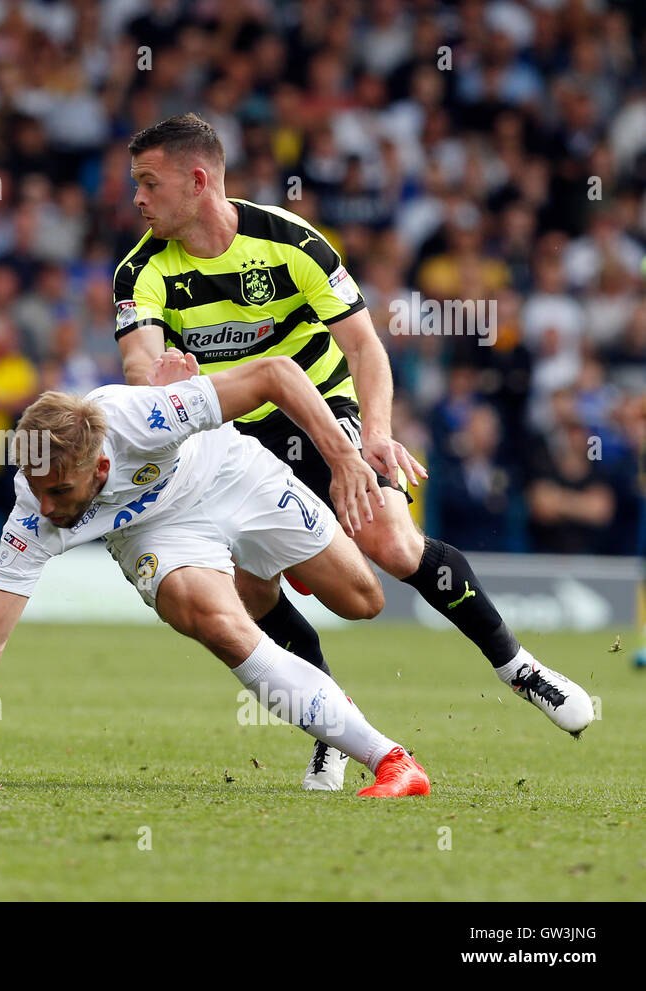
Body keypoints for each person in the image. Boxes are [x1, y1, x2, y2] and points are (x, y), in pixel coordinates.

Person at [112, 114, 593, 788]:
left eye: (148, 182)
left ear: (198, 181)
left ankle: (520, 667)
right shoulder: (142, 269)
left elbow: (366, 345)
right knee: (251, 591)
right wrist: (156, 379)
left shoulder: (289, 240)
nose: (136, 197)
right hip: (232, 438)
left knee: (393, 545)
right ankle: (334, 732)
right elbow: (141, 364)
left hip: (321, 412)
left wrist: (374, 432)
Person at [0, 351, 430, 798]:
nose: (44, 507)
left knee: (364, 602)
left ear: (101, 469)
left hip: (232, 475)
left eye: (59, 492)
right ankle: (391, 760)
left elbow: (277, 374)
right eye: (35, 488)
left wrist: (342, 459)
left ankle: (263, 569)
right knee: (216, 623)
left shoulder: (145, 417)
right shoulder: (34, 508)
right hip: (157, 535)